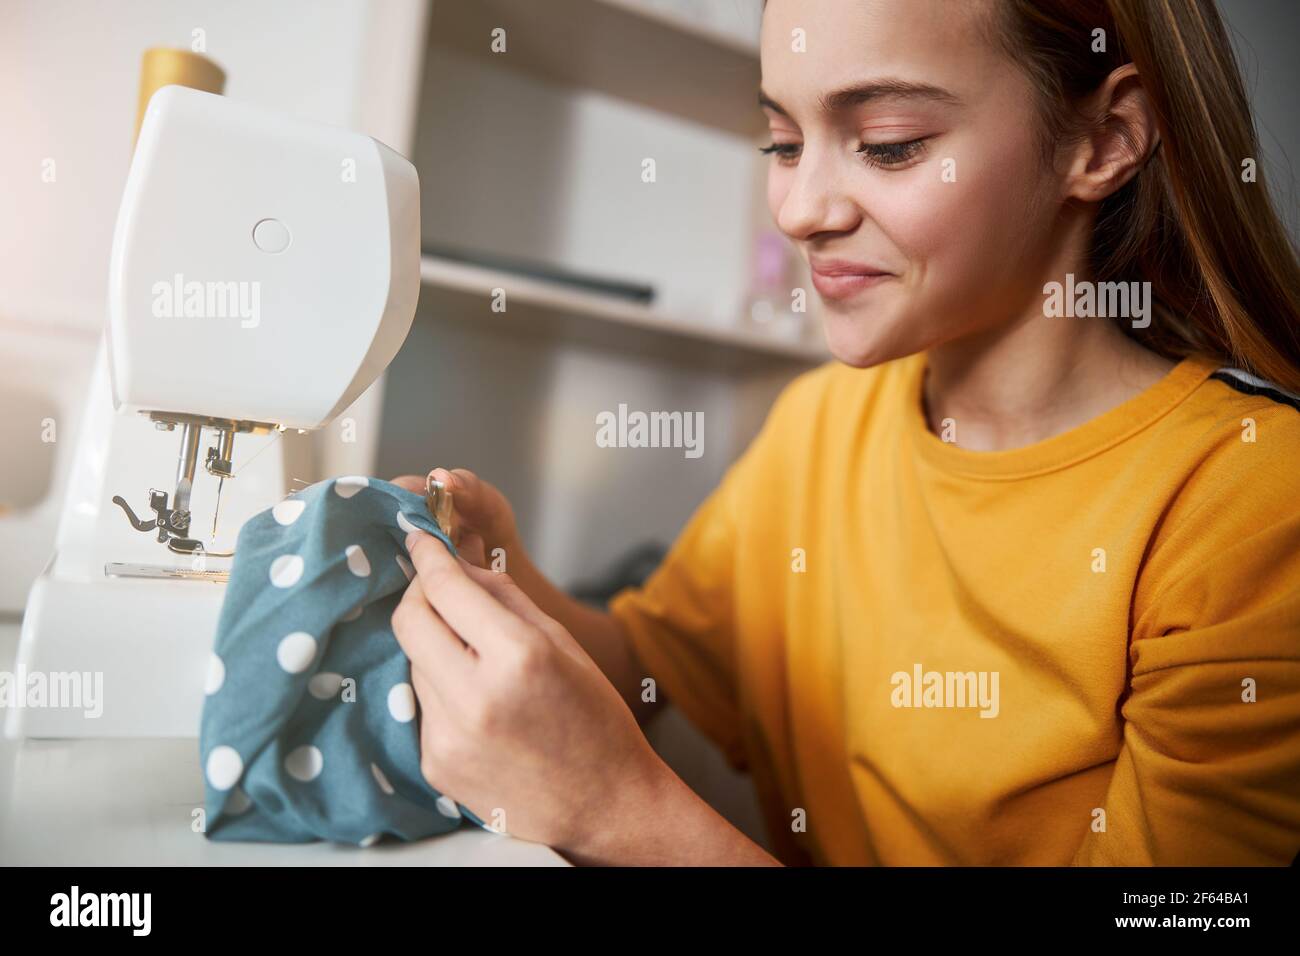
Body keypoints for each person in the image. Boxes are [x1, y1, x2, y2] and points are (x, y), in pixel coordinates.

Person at [390, 0, 1300, 866]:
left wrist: (619, 813)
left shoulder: (1250, 501)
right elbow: (651, 669)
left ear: (1105, 141)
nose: (797, 209)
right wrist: (501, 573)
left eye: (887, 146)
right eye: (782, 143)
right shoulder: (822, 421)